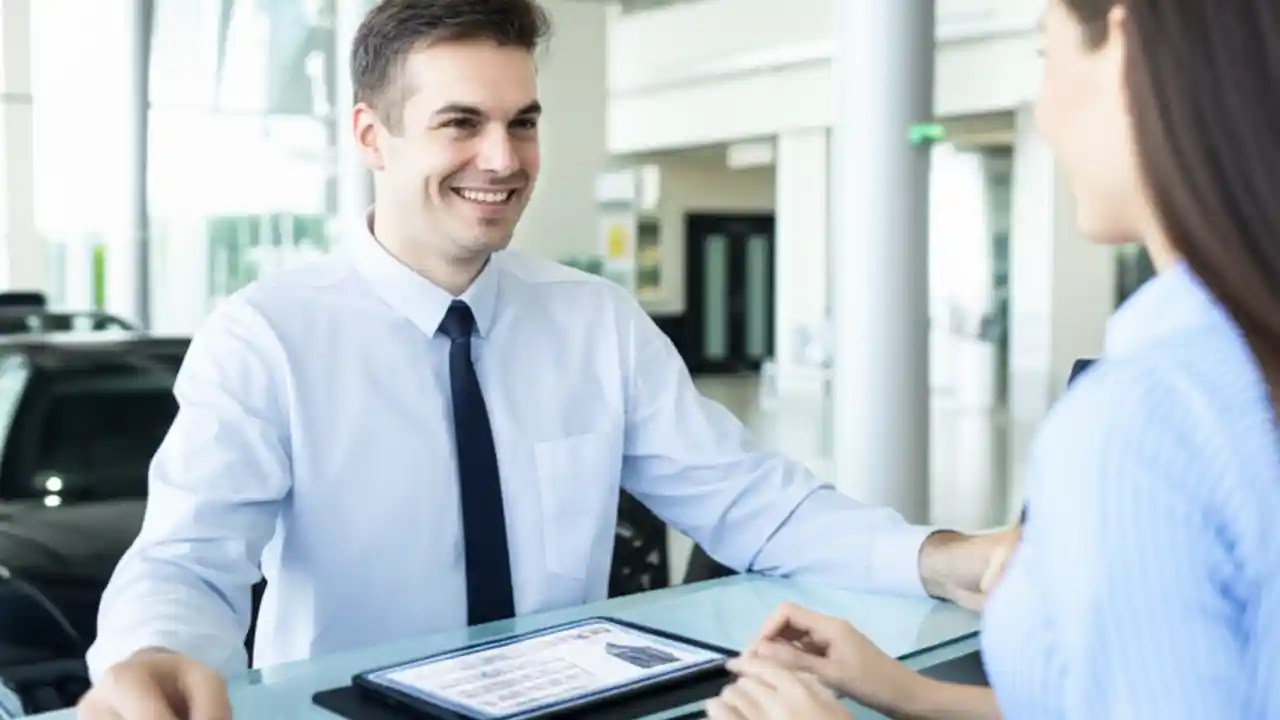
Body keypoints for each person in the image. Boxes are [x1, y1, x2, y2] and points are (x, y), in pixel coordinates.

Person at [75, 1, 1013, 718]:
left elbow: (751, 503)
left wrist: (942, 559)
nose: (503, 158)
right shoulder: (266, 337)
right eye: (460, 122)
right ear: (371, 136)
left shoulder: (595, 321)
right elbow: (189, 561)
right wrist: (148, 658)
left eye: (522, 121)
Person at [708, 0, 1280, 718]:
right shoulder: (1235, 366)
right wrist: (909, 694)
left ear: (1123, 52)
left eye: (1046, 58)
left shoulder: (1143, 417)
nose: (1043, 112)